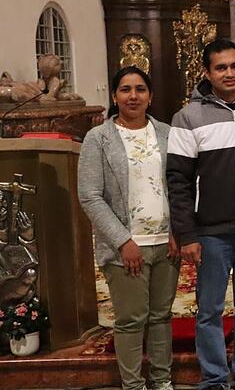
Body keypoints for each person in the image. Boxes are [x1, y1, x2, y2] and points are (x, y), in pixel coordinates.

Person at [167, 39, 235, 390]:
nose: (229, 73)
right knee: (209, 309)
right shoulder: (188, 117)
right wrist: (187, 234)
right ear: (207, 72)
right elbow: (179, 181)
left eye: (234, 66)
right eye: (221, 68)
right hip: (211, 231)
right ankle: (213, 377)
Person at [78, 66, 179, 390]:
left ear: (150, 96)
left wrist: (179, 231)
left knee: (162, 317)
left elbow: (181, 186)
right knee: (132, 320)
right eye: (125, 89)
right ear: (114, 96)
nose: (133, 96)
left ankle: (162, 382)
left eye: (139, 89)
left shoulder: (166, 132)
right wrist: (123, 241)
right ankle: (133, 385)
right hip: (127, 246)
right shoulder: (99, 138)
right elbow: (90, 196)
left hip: (167, 243)